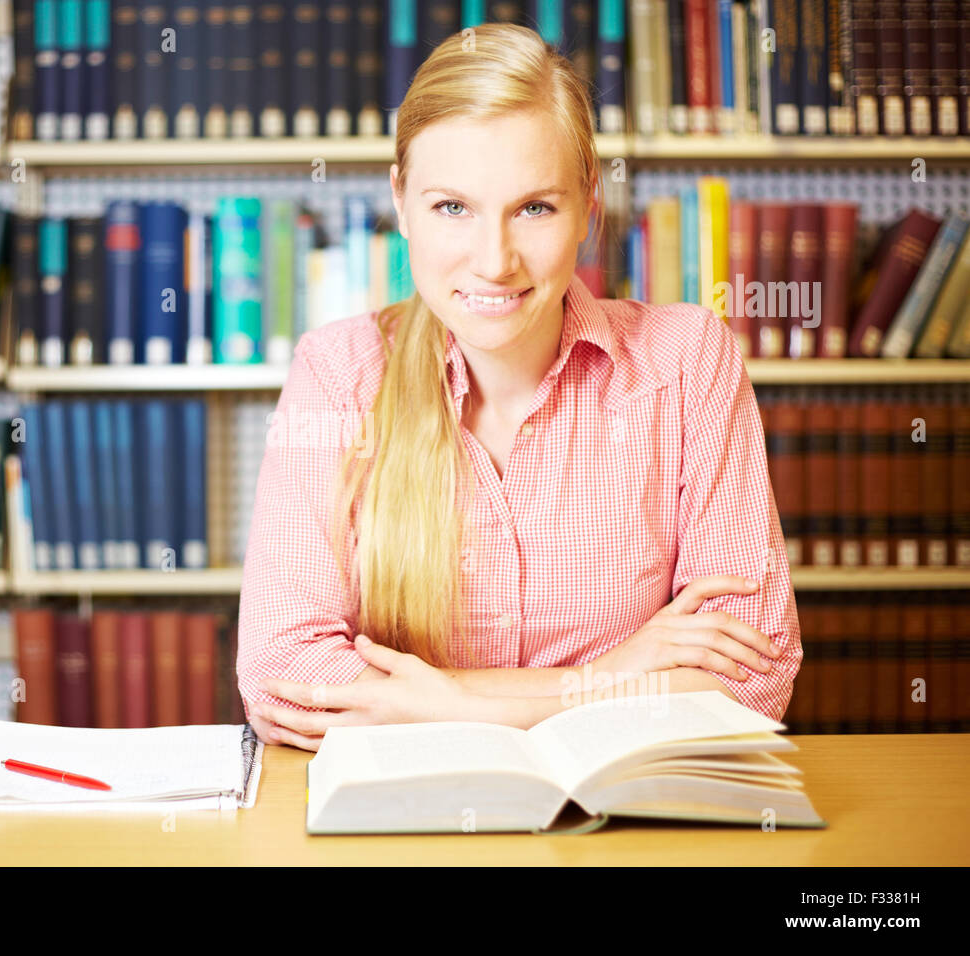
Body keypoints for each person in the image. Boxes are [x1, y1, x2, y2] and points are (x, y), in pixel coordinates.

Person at [237, 23, 801, 751]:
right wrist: (613, 677)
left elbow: (752, 676)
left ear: (587, 208)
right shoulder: (337, 376)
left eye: (534, 207)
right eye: (452, 208)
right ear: (401, 202)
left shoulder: (687, 361)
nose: (495, 260)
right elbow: (283, 675)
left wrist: (444, 702)